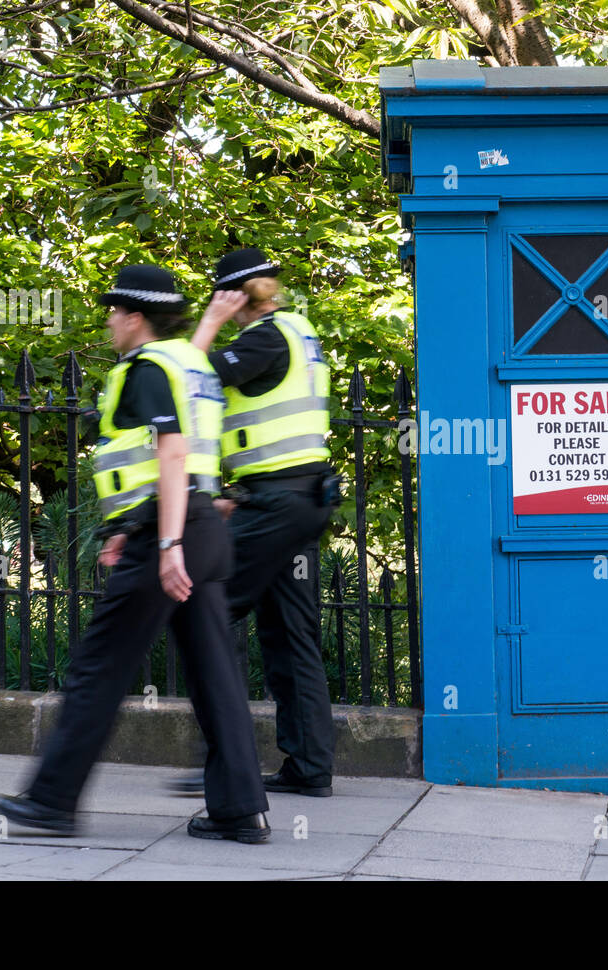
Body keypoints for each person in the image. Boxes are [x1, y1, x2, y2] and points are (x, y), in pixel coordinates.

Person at [0, 263, 271, 843]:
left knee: (99, 669)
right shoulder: (193, 364)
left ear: (136, 317)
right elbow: (188, 462)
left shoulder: (147, 368)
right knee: (215, 678)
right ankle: (241, 810)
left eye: (115, 312)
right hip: (200, 530)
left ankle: (51, 802)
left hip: (168, 542)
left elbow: (171, 452)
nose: (110, 323)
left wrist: (164, 543)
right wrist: (139, 526)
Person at [179, 247, 339, 798]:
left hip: (277, 505)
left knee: (208, 611)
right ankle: (309, 767)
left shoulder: (265, 338)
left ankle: (227, 764)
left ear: (238, 294)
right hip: (299, 500)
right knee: (291, 633)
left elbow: (186, 380)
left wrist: (208, 323)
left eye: (222, 293)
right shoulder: (299, 332)